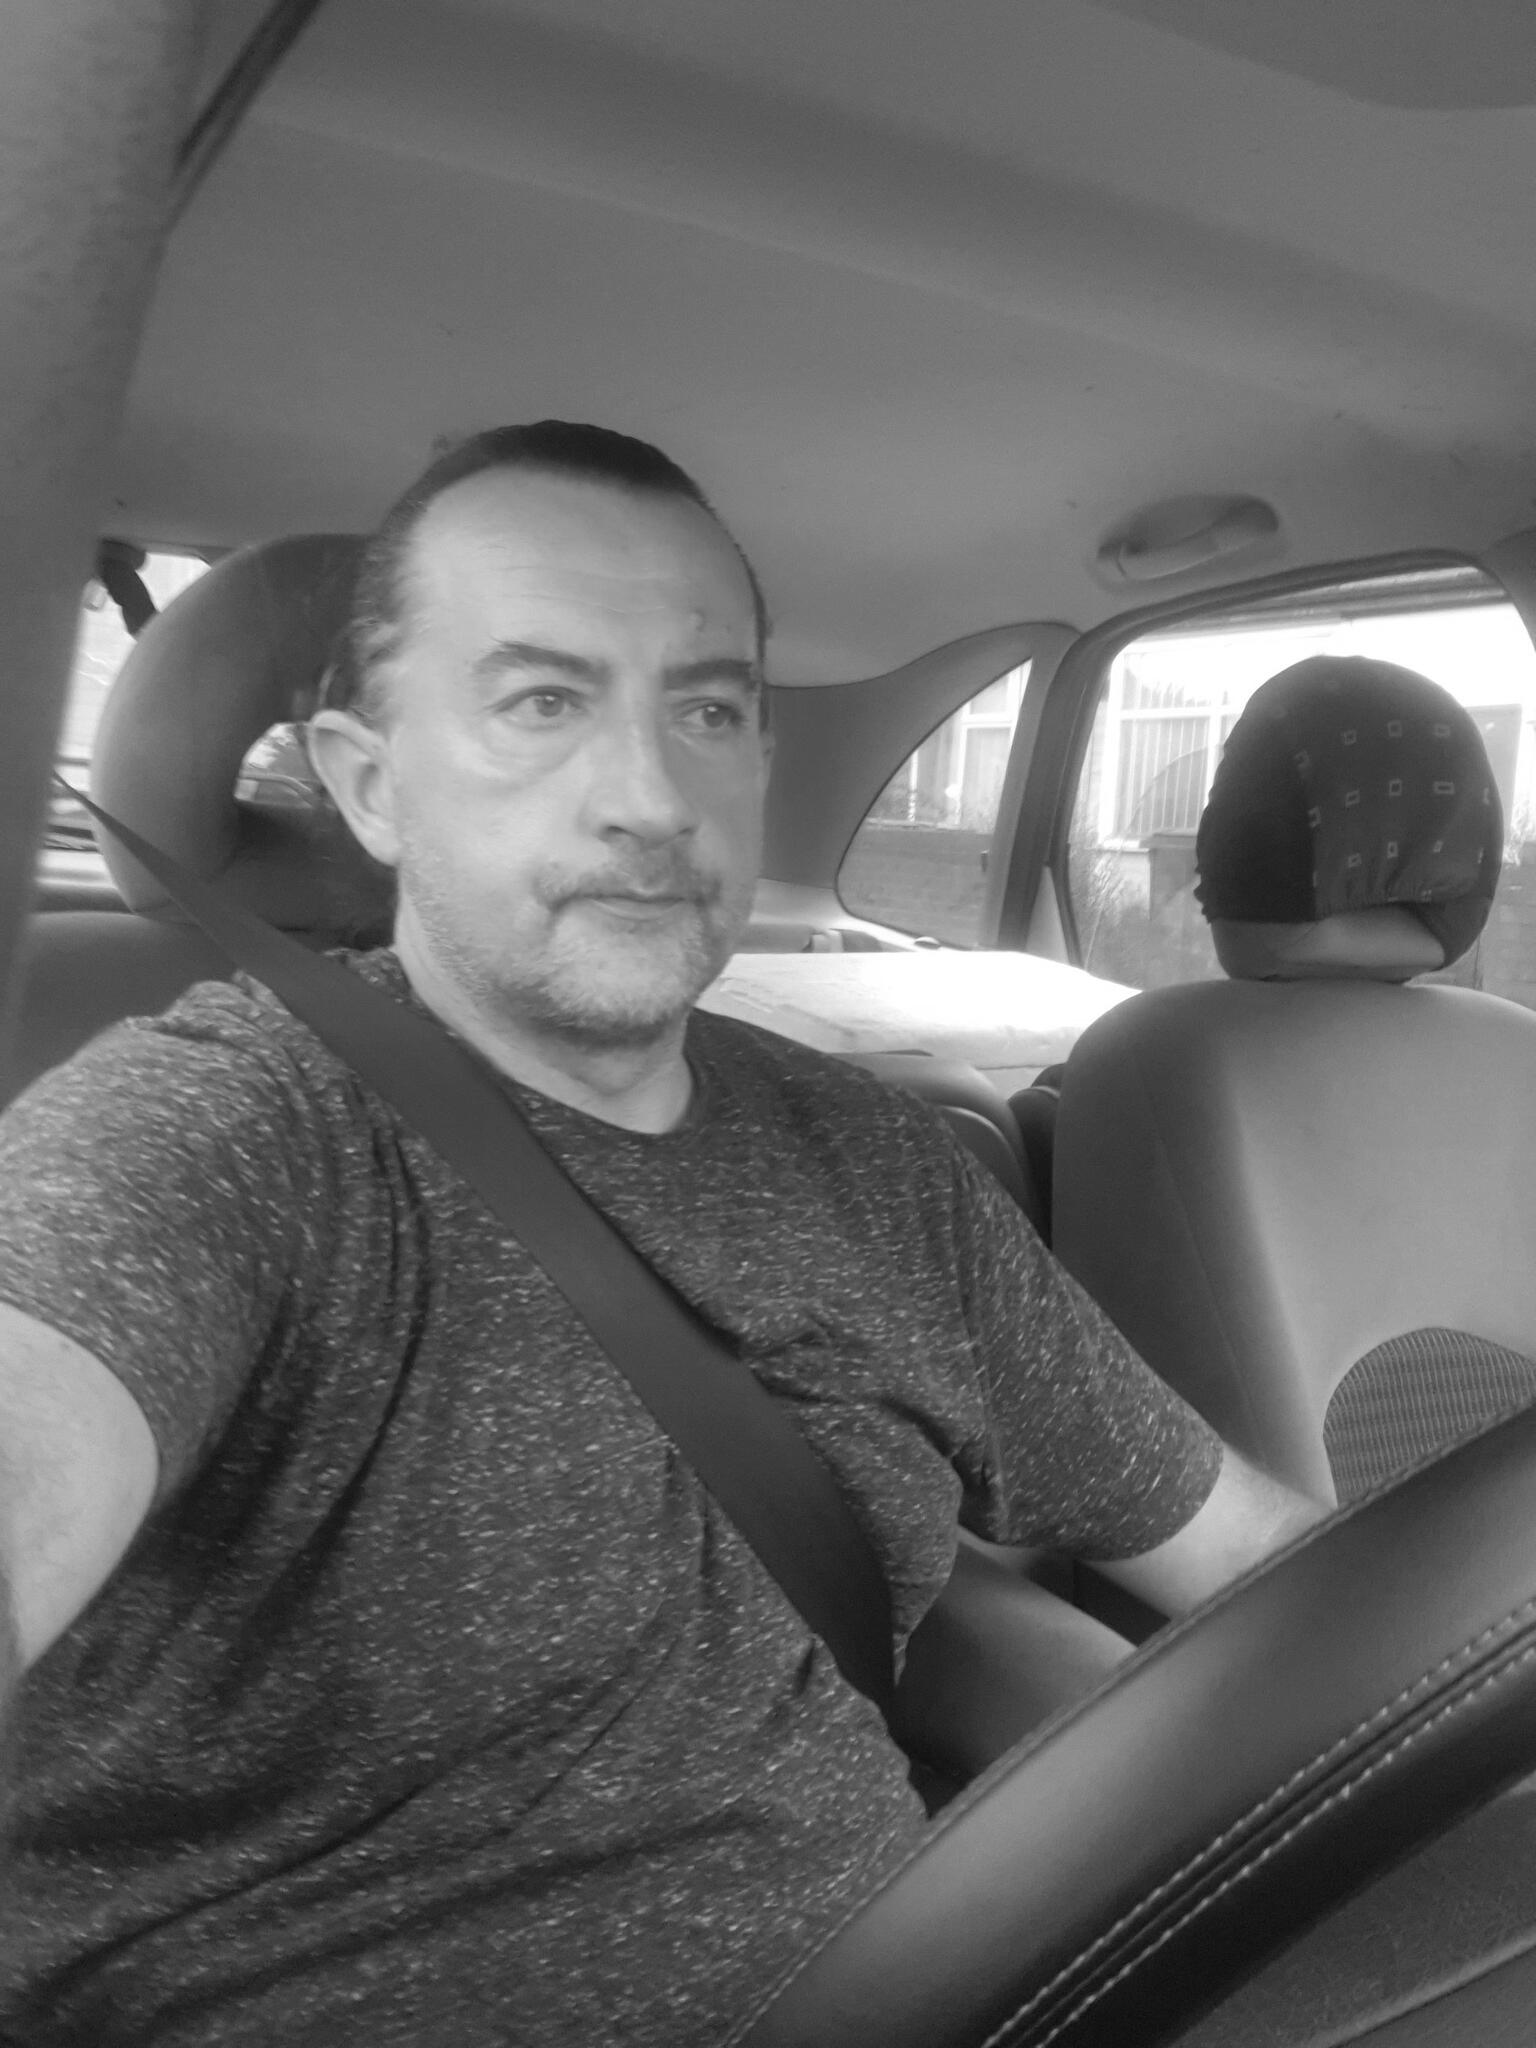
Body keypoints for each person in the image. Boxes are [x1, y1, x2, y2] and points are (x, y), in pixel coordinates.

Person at [0, 423, 1320, 2046]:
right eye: (541, 703)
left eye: (705, 710)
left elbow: (1255, 1559)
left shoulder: (883, 1168)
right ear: (369, 784)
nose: (647, 798)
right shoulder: (225, 1133)